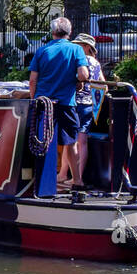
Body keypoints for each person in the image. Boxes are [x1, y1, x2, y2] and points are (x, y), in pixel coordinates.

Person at [28, 16, 89, 196]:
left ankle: (41, 182)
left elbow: (33, 80)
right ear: (69, 32)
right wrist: (77, 81)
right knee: (71, 143)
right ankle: (77, 181)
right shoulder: (76, 49)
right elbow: (84, 74)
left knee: (42, 140)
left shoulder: (41, 51)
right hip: (66, 104)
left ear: (52, 31)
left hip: (43, 104)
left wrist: (34, 100)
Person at [58, 34, 105, 186]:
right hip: (89, 105)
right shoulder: (96, 62)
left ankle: (64, 174)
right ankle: (77, 176)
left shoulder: (79, 60)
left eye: (79, 44)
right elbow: (104, 84)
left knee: (69, 140)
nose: (76, 46)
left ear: (86, 47)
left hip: (74, 102)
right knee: (82, 141)